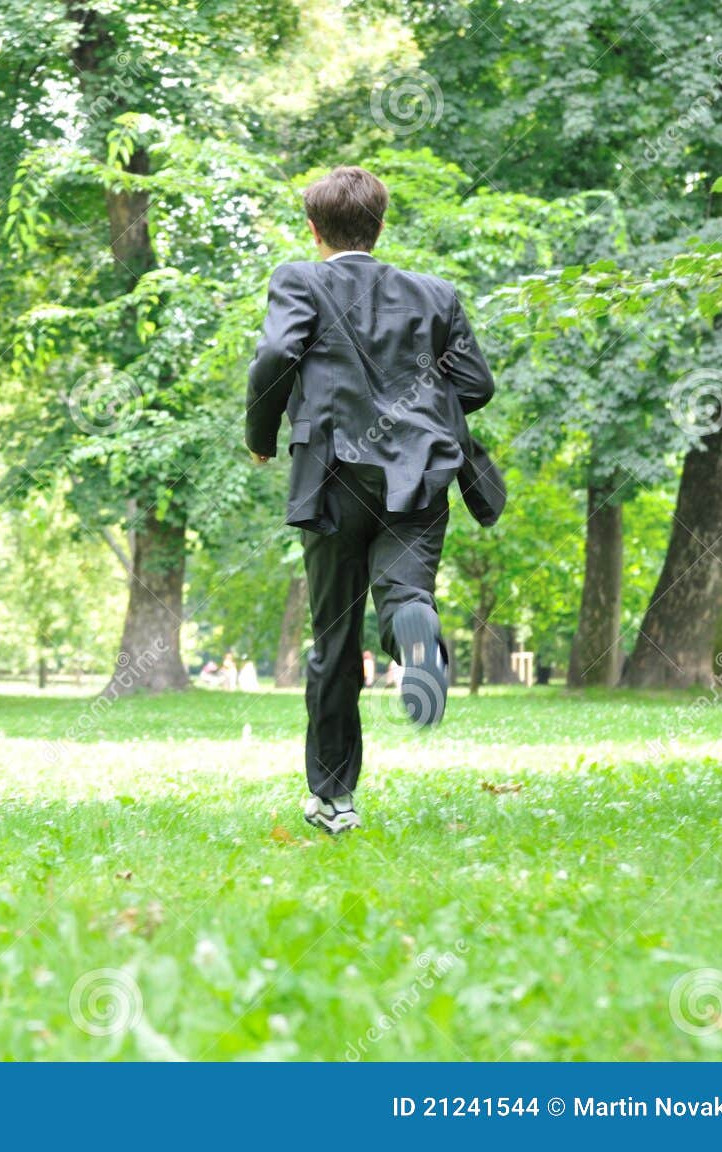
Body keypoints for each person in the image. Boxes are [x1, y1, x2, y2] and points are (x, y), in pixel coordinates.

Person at [245, 166, 497, 835]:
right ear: (379, 225)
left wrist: (261, 433)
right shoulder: (435, 294)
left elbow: (274, 355)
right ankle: (417, 643)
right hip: (416, 473)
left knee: (332, 640)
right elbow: (475, 384)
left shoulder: (298, 279)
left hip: (331, 476)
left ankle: (335, 800)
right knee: (406, 594)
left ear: (314, 229)